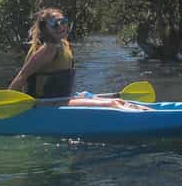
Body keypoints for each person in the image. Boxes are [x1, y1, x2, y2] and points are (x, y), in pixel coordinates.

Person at [8, 8, 150, 110]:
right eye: (54, 24)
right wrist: (10, 103)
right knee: (113, 104)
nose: (60, 26)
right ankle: (149, 118)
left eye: (62, 21)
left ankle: (151, 113)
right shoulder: (47, 50)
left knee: (118, 100)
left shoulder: (64, 44)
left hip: (62, 99)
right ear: (45, 29)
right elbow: (22, 77)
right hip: (45, 104)